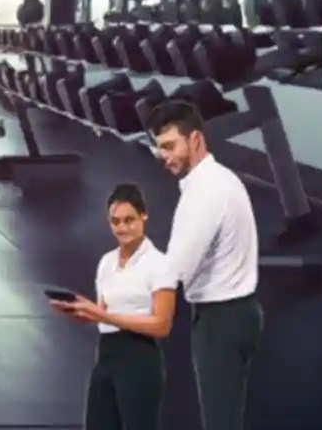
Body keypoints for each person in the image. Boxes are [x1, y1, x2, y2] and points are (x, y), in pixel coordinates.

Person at [148, 100, 263, 430]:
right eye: (160, 149)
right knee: (226, 415)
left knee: (220, 421)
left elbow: (175, 271)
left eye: (170, 146)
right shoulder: (222, 179)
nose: (164, 157)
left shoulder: (204, 194)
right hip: (241, 312)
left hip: (220, 321)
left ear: (195, 139)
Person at [51, 183, 177, 430]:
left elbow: (162, 324)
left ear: (144, 215)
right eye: (115, 221)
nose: (122, 227)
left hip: (140, 360)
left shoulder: (160, 264)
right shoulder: (106, 262)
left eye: (129, 220)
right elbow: (104, 314)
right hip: (107, 357)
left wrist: (104, 316)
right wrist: (84, 312)